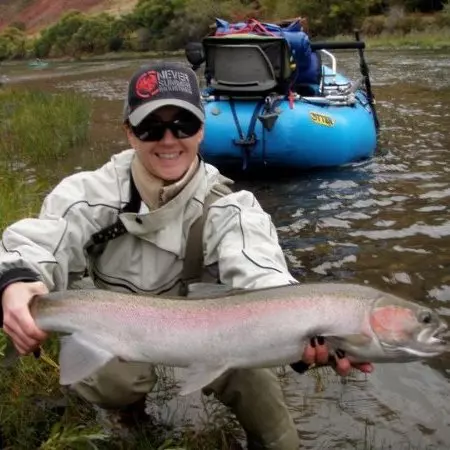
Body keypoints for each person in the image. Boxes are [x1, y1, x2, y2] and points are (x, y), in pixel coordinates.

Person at [0, 61, 372, 449]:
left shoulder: (233, 207)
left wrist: (313, 333)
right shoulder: (89, 193)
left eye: (183, 125)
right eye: (150, 127)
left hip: (215, 334)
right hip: (118, 328)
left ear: (201, 131)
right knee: (115, 385)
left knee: (262, 396)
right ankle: (128, 413)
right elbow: (38, 242)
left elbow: (266, 278)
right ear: (129, 133)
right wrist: (16, 283)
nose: (168, 139)